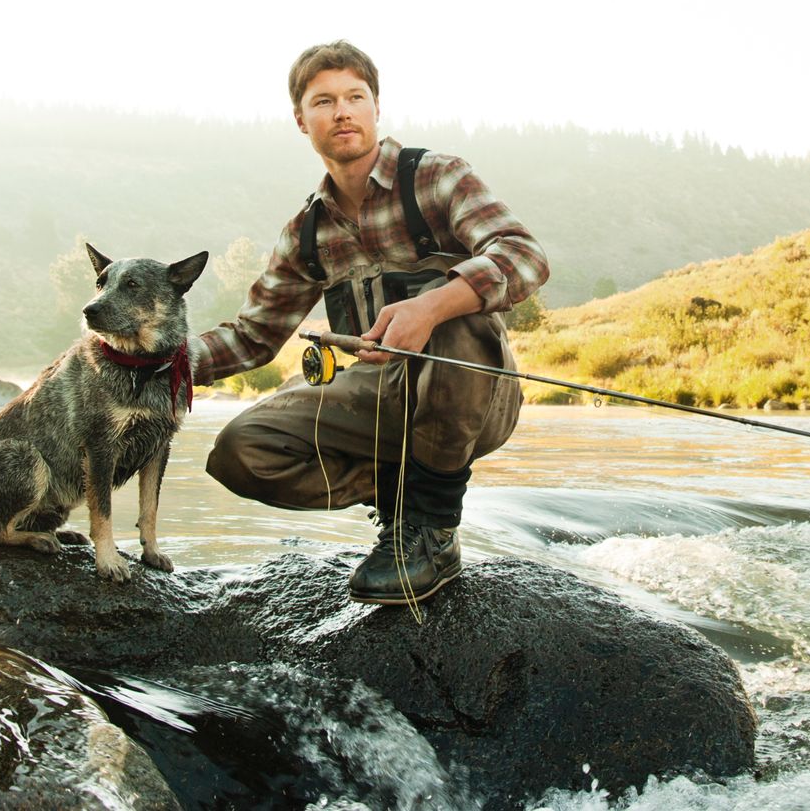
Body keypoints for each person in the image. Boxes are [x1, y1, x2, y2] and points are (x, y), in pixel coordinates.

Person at [187, 40, 548, 604]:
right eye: (324, 101)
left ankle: (431, 529)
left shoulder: (438, 176)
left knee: (455, 319)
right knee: (241, 450)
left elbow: (525, 256)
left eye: (355, 97)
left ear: (376, 108)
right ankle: (403, 497)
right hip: (377, 399)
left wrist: (432, 305)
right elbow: (253, 337)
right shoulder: (305, 233)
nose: (342, 111)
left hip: (475, 396)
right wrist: (158, 359)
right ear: (301, 120)